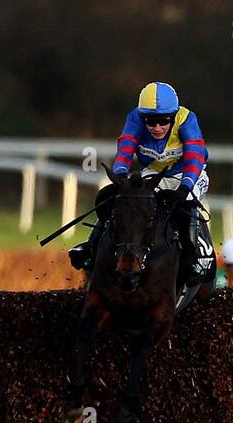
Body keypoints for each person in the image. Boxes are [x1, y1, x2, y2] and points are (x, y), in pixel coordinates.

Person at [69, 81, 215, 285]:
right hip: (154, 173)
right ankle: (91, 246)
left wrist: (184, 187)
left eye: (163, 121)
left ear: (173, 116)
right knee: (122, 199)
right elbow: (125, 149)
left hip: (189, 174)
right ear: (142, 116)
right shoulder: (134, 119)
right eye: (150, 121)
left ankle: (194, 258)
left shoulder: (186, 119)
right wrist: (120, 176)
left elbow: (195, 157)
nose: (156, 127)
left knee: (186, 202)